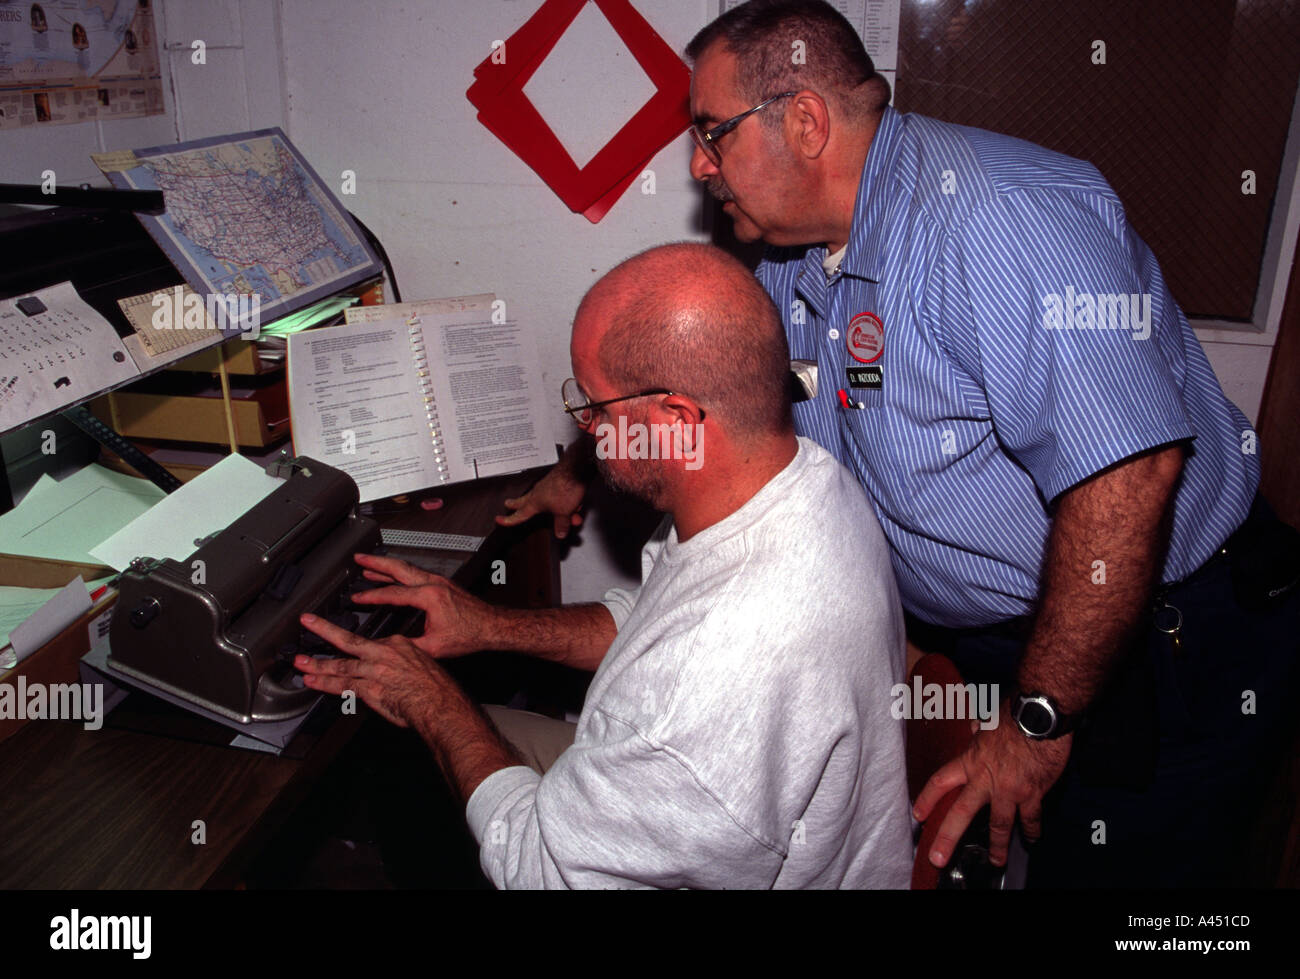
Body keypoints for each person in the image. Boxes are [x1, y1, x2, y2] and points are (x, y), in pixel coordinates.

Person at [498, 0, 1300, 888]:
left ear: (804, 120)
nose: (698, 165)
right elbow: (708, 373)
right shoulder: (795, 252)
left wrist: (1038, 720)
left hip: (1166, 631)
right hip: (1015, 635)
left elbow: (1132, 473)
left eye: (712, 134)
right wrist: (582, 465)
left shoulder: (1002, 222)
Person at [298, 242, 913, 889]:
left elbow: (537, 869)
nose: (587, 428)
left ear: (676, 420)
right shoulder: (804, 481)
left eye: (595, 406)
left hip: (603, 836)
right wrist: (486, 624)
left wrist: (432, 697)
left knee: (419, 733)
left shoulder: (710, 679)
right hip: (717, 799)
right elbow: (651, 618)